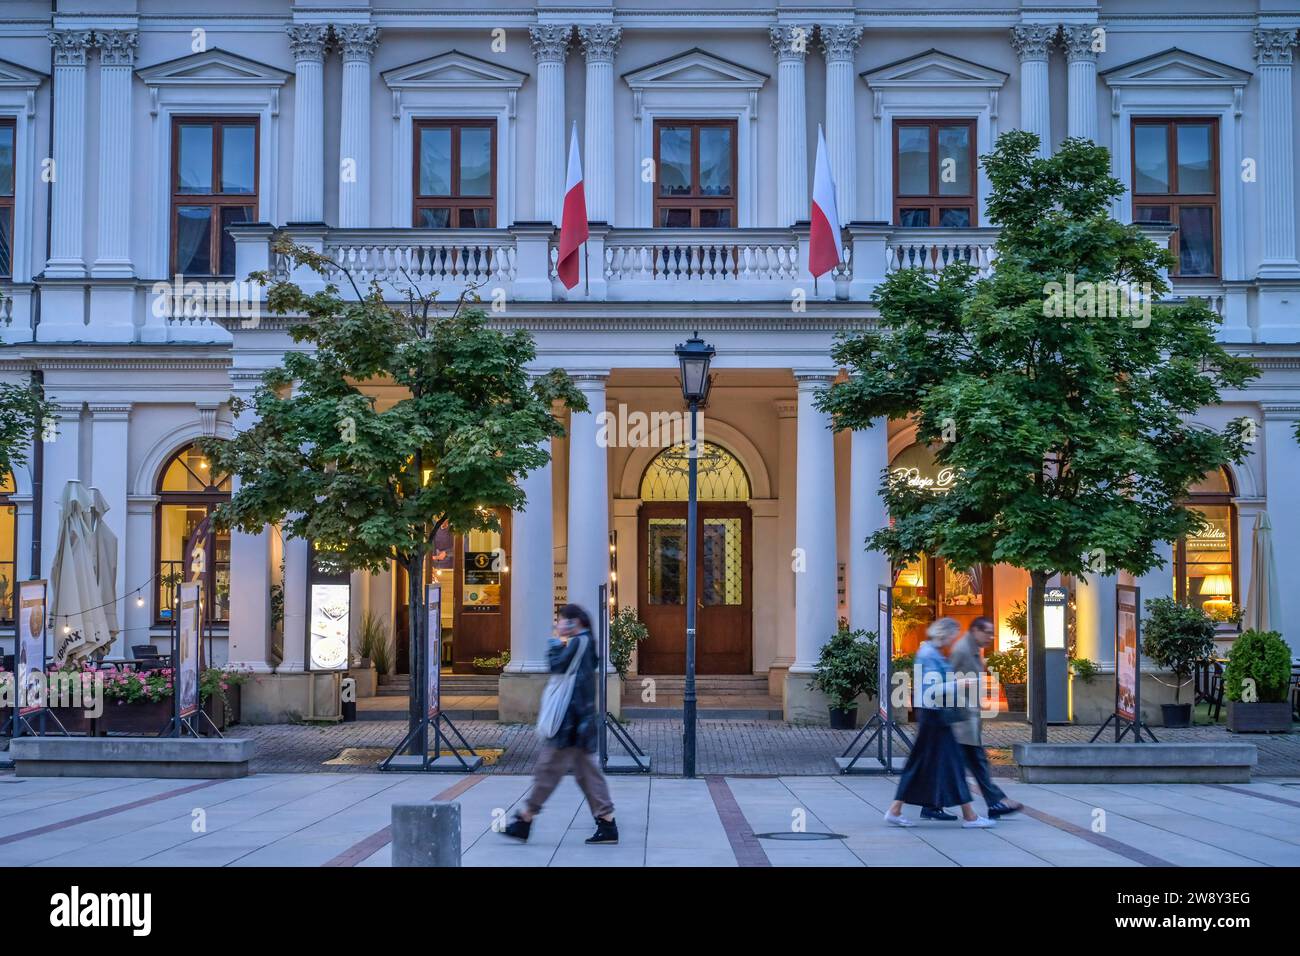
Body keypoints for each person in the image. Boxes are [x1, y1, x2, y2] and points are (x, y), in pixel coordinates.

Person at [503, 604, 619, 845]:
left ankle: (525, 819)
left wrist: (554, 643)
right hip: (579, 721)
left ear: (574, 622)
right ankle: (606, 822)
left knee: (548, 770)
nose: (558, 624)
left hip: (570, 722)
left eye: (561, 620)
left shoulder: (578, 642)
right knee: (586, 774)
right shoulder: (587, 642)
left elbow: (556, 666)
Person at [884, 618, 995, 829]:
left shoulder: (930, 652)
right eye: (954, 634)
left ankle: (896, 810)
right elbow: (932, 691)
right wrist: (960, 683)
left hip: (933, 716)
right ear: (946, 633)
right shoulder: (930, 655)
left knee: (925, 764)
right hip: (933, 717)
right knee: (943, 764)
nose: (954, 640)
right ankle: (969, 817)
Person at [948, 616, 1021, 817]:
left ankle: (930, 804)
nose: (991, 637)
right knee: (974, 764)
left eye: (992, 633)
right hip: (962, 721)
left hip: (968, 719)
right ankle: (995, 802)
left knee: (968, 765)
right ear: (975, 631)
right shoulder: (962, 650)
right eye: (988, 633)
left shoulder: (971, 649)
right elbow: (949, 681)